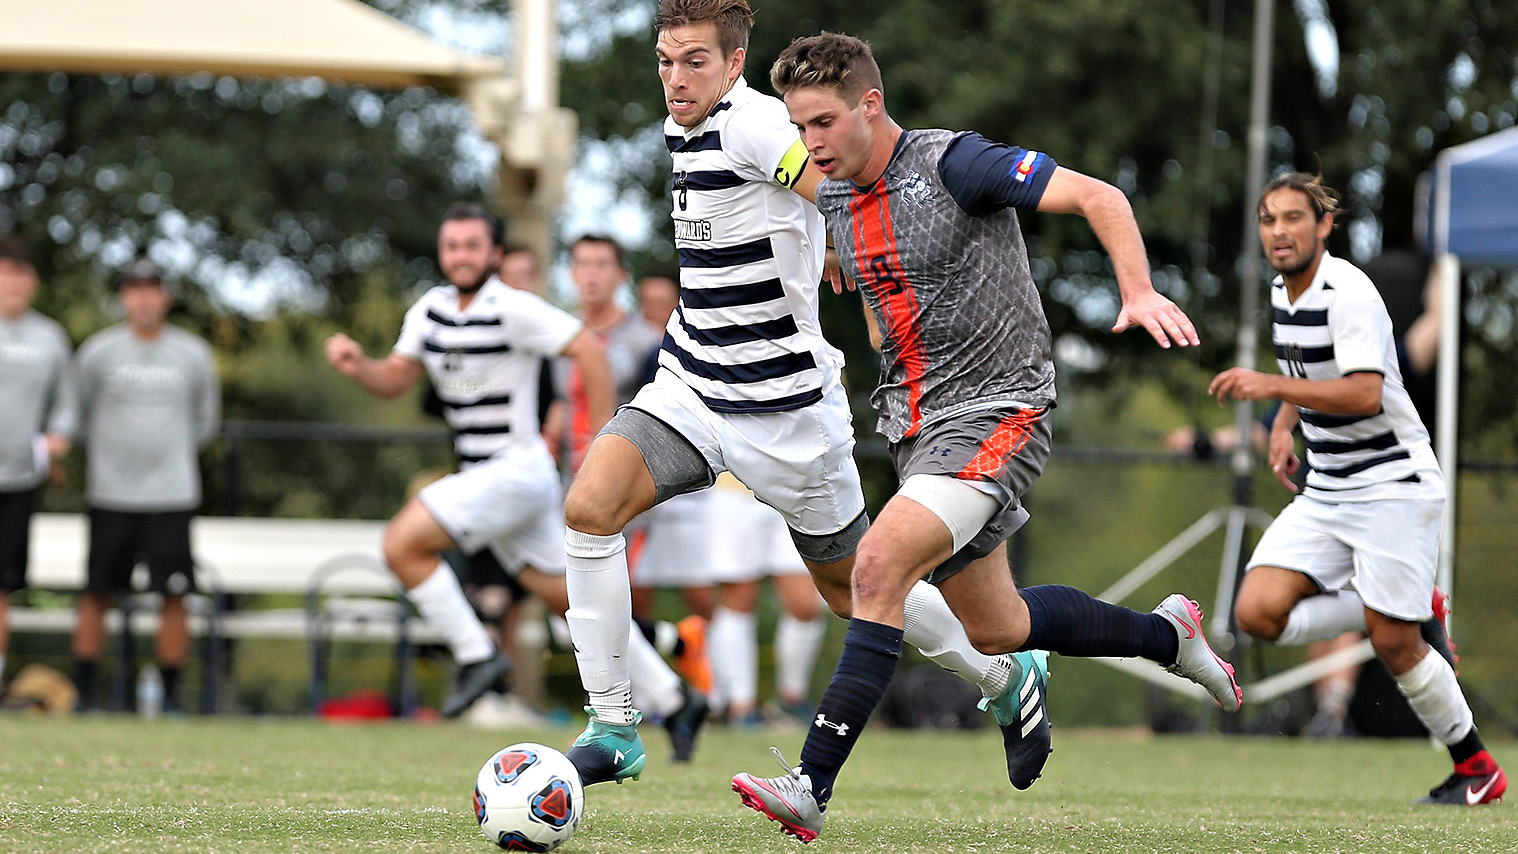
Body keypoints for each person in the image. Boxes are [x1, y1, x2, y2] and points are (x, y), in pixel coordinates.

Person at [731, 33, 1241, 841]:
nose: (811, 142)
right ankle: (1166, 635)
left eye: (824, 120)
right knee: (995, 627)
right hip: (915, 430)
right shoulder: (829, 193)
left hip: (1000, 409)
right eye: (800, 126)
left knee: (877, 567)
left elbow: (1103, 197)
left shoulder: (954, 164)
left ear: (870, 104)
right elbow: (866, 281)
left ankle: (811, 782)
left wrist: (1138, 291)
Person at [561, 0, 1057, 795]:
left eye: (694, 61)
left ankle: (1002, 677)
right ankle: (615, 725)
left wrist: (836, 242)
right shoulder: (683, 126)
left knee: (851, 585)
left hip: (788, 413)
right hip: (691, 384)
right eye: (665, 60)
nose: (675, 78)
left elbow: (828, 176)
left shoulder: (756, 123)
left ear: (733, 63)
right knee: (589, 508)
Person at [325, 205, 708, 754]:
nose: (460, 255)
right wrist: (358, 365)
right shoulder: (430, 310)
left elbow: (588, 350)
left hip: (516, 473)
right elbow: (395, 378)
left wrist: (602, 446)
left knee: (400, 544)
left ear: (495, 254)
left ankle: (477, 655)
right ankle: (675, 699)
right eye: (452, 245)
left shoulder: (512, 307)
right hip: (492, 481)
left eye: (472, 246)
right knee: (575, 603)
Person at [1214, 172, 1505, 805]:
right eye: (1268, 220)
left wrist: (1272, 390)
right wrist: (1286, 424)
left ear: (1324, 226)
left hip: (1393, 485)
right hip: (1331, 489)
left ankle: (1476, 767)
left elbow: (1363, 392)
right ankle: (1410, 604)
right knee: (1256, 612)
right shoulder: (1281, 291)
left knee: (1394, 642)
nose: (1279, 231)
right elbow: (1305, 371)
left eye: (1294, 218)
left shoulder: (1348, 291)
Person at [71, 258, 219, 713]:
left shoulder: (193, 354)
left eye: (152, 288)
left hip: (171, 496)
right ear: (123, 298)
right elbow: (76, 418)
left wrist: (166, 458)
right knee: (98, 591)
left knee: (174, 594)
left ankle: (171, 699)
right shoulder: (97, 353)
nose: (143, 298)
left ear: (166, 297)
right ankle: (85, 697)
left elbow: (205, 423)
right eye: (134, 289)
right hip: (109, 494)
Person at [0, 235, 78, 688]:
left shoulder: (50, 336)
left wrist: (59, 437)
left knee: (2, 588)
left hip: (18, 479)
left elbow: (66, 404)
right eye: (7, 273)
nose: (15, 283)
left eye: (23, 274)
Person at [706, 471, 827, 725]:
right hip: (737, 491)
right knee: (739, 600)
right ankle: (741, 706)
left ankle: (791, 699)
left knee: (806, 605)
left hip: (797, 492)